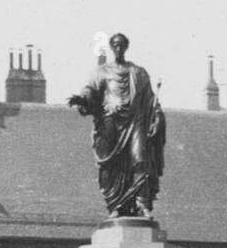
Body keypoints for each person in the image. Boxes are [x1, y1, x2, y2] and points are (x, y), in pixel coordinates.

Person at [67, 31, 166, 218]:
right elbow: (90, 91)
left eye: (122, 44)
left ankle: (141, 204)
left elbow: (151, 100)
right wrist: (82, 99)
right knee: (109, 166)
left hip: (135, 122)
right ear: (112, 47)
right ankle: (116, 206)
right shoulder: (101, 72)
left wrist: (157, 116)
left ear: (126, 47)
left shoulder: (139, 73)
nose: (118, 48)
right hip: (110, 123)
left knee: (140, 158)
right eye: (115, 45)